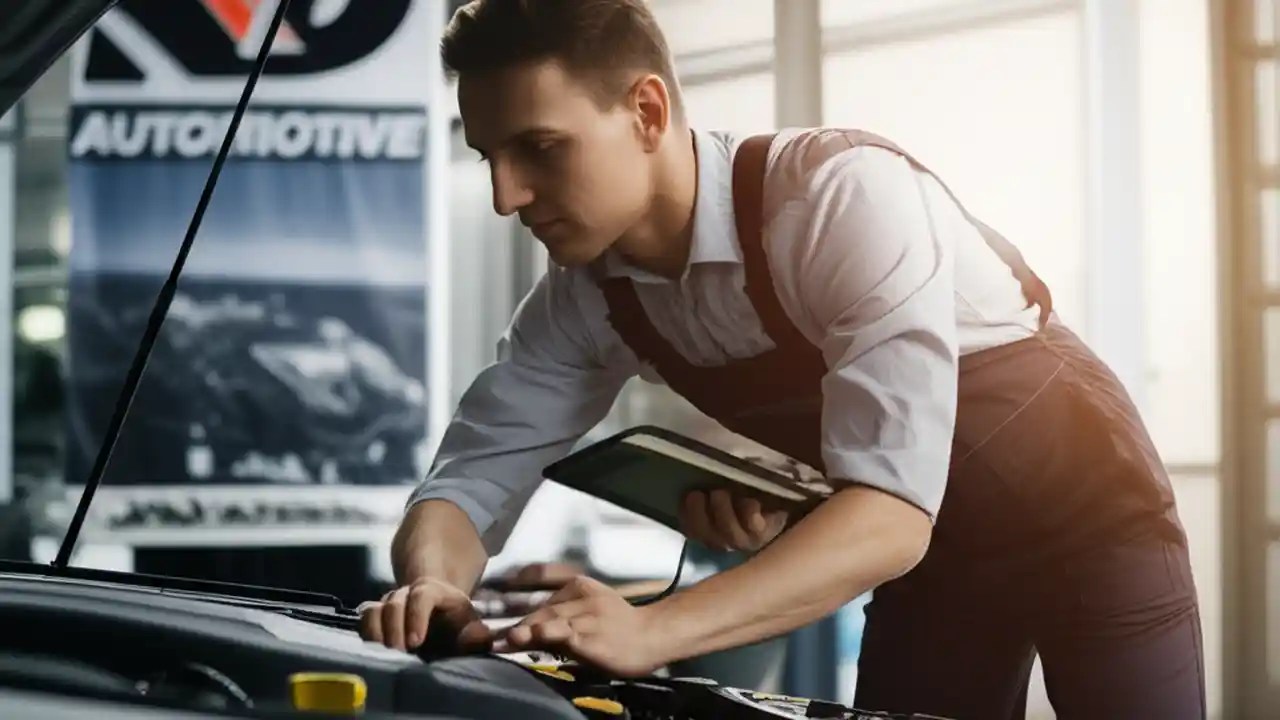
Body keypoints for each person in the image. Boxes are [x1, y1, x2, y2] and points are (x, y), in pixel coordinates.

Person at [358, 1, 1206, 717]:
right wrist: (437, 587)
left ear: (648, 112)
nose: (507, 196)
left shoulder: (839, 197)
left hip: (1090, 519)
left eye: (540, 149)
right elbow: (468, 480)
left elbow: (890, 514)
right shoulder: (583, 297)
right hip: (936, 556)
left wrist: (651, 629)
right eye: (489, 159)